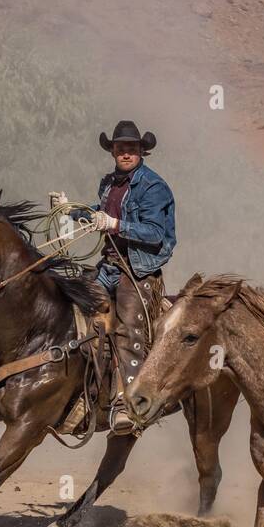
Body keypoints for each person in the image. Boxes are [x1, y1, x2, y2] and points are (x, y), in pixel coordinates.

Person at [49, 119, 176, 435]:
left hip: (138, 272)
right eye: (121, 147)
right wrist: (71, 211)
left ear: (141, 151)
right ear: (113, 151)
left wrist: (115, 225)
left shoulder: (153, 187)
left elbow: (156, 232)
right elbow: (98, 213)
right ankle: (77, 390)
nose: (126, 153)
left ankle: (126, 404)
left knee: (127, 327)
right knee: (67, 303)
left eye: (131, 148)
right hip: (108, 268)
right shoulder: (110, 183)